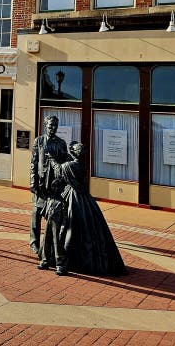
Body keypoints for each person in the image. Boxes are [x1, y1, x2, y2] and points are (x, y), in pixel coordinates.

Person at [58, 142, 126, 276]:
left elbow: (60, 171)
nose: (82, 151)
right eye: (80, 150)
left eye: (82, 150)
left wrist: (54, 160)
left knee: (68, 227)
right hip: (83, 197)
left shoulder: (69, 165)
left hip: (73, 196)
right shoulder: (82, 164)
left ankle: (64, 261)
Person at [29, 115, 68, 259]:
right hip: (40, 184)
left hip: (53, 185)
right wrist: (33, 181)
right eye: (50, 125)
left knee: (52, 216)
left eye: (55, 126)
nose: (53, 128)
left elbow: (64, 163)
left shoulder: (61, 143)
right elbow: (33, 162)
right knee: (36, 213)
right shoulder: (38, 141)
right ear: (45, 125)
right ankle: (34, 242)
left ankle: (50, 246)